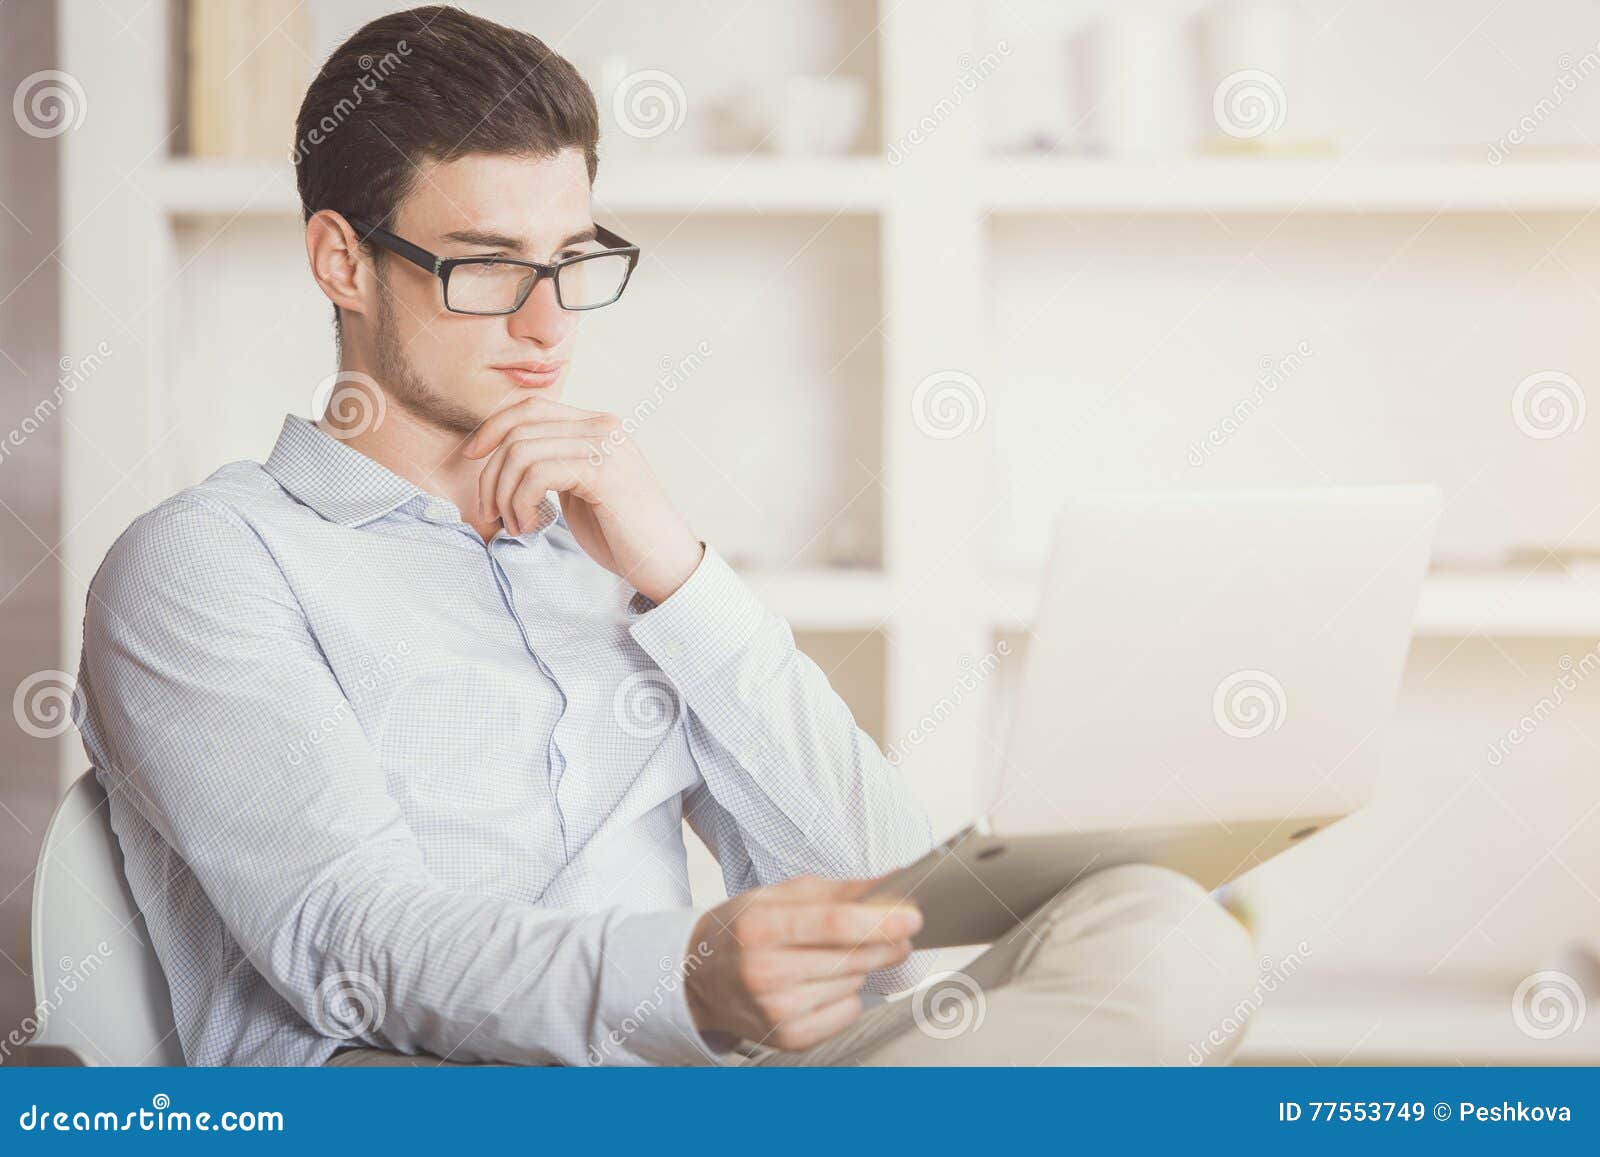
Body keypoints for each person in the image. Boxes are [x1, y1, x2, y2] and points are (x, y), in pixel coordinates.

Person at [73, 5, 1256, 1068]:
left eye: (570, 262)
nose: (548, 325)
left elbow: (891, 921)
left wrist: (683, 580)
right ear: (344, 260)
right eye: (487, 267)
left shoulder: (606, 550)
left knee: (1166, 933)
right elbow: (352, 944)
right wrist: (683, 977)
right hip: (419, 1100)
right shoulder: (212, 559)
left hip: (699, 1094)